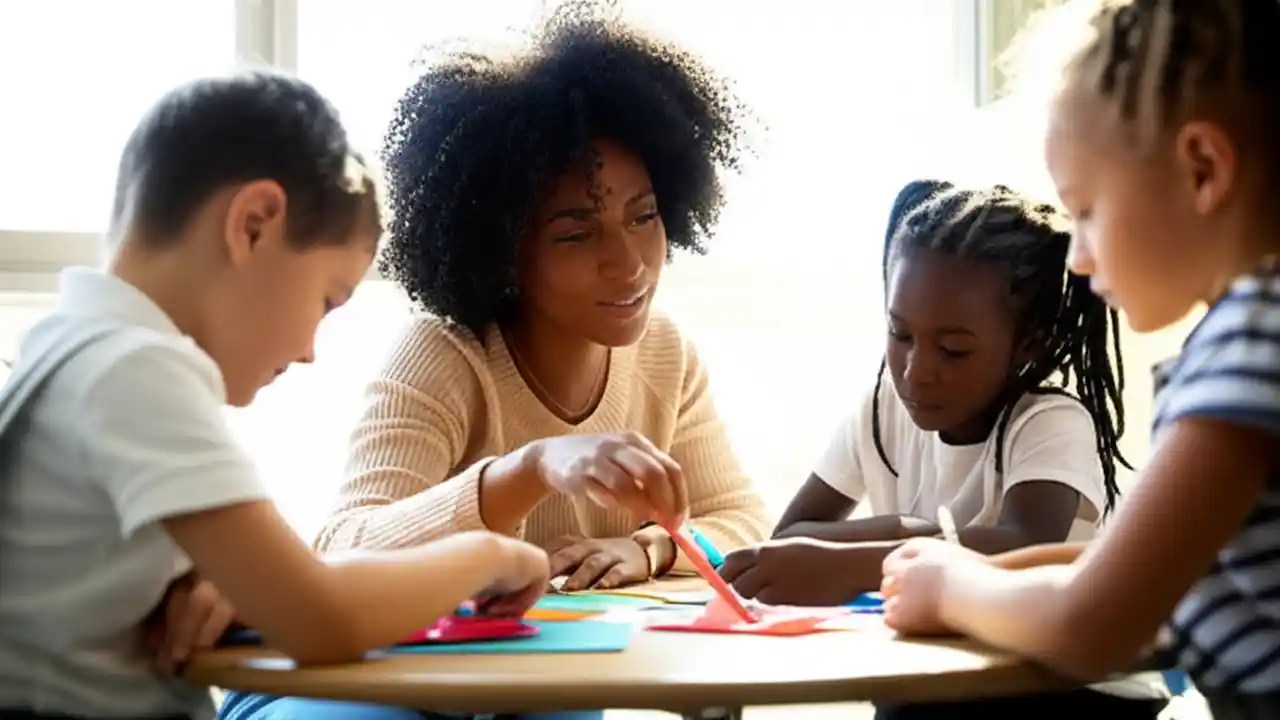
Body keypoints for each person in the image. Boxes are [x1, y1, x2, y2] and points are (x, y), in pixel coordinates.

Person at [217, 2, 767, 718]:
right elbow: (345, 548)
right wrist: (527, 471)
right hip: (349, 683)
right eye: (577, 235)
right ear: (504, 248)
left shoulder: (665, 356)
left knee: (568, 703)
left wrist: (648, 549)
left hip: (516, 683)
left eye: (644, 216)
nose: (629, 262)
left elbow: (740, 520)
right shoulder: (444, 355)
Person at [0, 71, 550, 720]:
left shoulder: (61, 351)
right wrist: (490, 555)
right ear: (254, 224)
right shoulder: (136, 369)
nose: (311, 349)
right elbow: (320, 618)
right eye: (327, 300)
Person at [880, 1, 1280, 718]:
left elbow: (1091, 625)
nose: (1078, 258)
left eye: (1086, 211)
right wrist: (961, 565)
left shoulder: (1250, 345)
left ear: (1202, 170)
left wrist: (949, 589)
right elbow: (1130, 563)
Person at [721, 180, 1128, 605]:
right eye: (900, 334)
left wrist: (847, 565)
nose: (915, 372)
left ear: (1031, 343)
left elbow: (1025, 547)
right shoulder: (882, 412)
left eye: (953, 350)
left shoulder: (1050, 423)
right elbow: (789, 536)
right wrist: (902, 528)